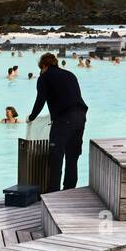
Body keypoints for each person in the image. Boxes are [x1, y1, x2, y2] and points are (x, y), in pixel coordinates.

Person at [26, 52, 88, 192]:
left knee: (56, 156)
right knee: (72, 155)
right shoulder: (70, 74)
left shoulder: (44, 77)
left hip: (64, 119)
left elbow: (40, 100)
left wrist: (31, 117)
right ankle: (70, 189)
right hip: (81, 116)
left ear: (44, 65)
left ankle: (53, 191)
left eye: (40, 68)